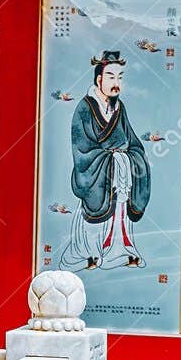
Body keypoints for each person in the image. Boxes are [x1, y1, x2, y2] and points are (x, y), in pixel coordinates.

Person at [60, 51, 150, 270]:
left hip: (121, 176)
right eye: (111, 76)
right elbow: (82, 149)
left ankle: (121, 250)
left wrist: (131, 158)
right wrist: (110, 157)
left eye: (120, 77)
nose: (116, 83)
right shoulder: (85, 108)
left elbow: (133, 142)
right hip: (97, 175)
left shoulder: (120, 109)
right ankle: (90, 253)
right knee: (95, 218)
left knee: (120, 214)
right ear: (99, 79)